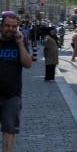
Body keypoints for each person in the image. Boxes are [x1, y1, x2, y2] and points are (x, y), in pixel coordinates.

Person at [0, 11, 33, 152]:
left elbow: (27, 64)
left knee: (10, 130)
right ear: (1, 26)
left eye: (14, 26)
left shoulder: (19, 43)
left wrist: (20, 44)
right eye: (7, 26)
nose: (11, 29)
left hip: (12, 95)